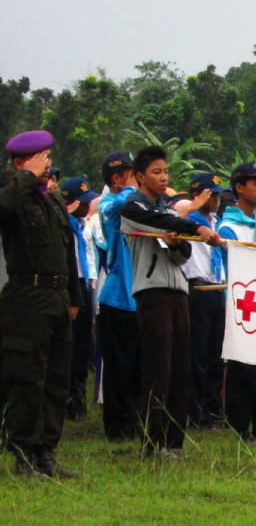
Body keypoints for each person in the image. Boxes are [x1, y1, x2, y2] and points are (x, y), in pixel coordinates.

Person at [121, 146, 222, 457]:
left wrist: (179, 241)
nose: (163, 177)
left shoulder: (167, 210)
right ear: (139, 177)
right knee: (158, 369)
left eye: (165, 171)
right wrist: (197, 226)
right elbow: (166, 223)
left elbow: (180, 255)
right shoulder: (133, 207)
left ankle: (174, 442)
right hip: (152, 292)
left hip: (179, 290)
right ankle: (152, 443)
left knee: (181, 368)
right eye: (156, 172)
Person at [0, 130, 81, 478]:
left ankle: (46, 451)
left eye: (48, 157)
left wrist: (74, 297)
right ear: (21, 162)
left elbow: (68, 249)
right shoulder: (13, 195)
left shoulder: (53, 199)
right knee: (27, 378)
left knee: (56, 379)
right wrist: (24, 178)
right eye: (42, 158)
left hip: (58, 296)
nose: (49, 164)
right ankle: (22, 455)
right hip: (26, 297)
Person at [218, 162, 256, 442]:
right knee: (245, 369)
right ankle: (240, 427)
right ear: (239, 187)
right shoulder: (228, 227)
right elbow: (238, 265)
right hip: (243, 305)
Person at [95, 150, 143, 442]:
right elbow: (128, 201)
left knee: (138, 364)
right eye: (133, 172)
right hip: (116, 297)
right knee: (118, 366)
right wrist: (138, 190)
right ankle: (116, 426)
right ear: (117, 178)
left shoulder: (135, 202)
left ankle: (135, 420)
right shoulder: (110, 203)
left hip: (139, 295)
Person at [180, 172, 225, 428]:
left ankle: (212, 406)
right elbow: (170, 227)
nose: (216, 199)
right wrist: (191, 210)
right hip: (197, 289)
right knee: (197, 353)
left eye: (218, 194)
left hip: (216, 287)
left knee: (215, 354)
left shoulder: (216, 221)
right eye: (211, 194)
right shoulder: (189, 220)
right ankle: (195, 409)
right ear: (198, 195)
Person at [60, 176, 99, 420]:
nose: (87, 207)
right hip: (65, 288)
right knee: (67, 347)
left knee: (82, 348)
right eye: (82, 203)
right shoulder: (63, 225)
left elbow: (89, 257)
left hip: (84, 287)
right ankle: (65, 400)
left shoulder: (83, 226)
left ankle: (78, 400)